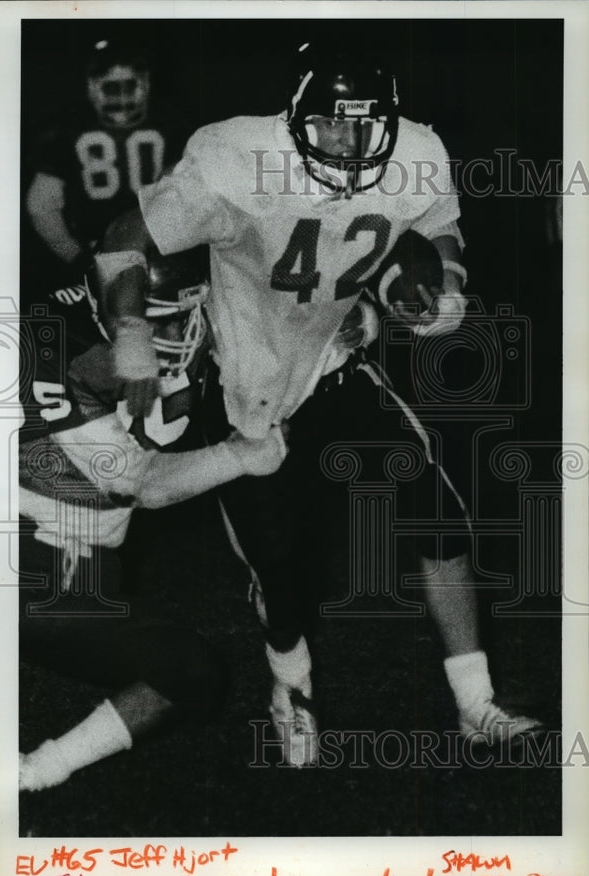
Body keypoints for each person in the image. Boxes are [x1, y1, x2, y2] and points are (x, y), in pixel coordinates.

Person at [97, 41, 544, 767]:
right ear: (296, 117)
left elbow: (437, 225)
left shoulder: (416, 153)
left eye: (363, 125)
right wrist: (130, 332)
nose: (346, 142)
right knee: (280, 567)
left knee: (436, 509)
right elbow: (125, 235)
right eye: (330, 123)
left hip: (334, 356)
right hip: (244, 379)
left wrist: (448, 285)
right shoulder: (237, 158)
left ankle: (476, 702)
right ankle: (292, 686)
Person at [18, 246, 287, 792]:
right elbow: (140, 484)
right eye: (159, 318)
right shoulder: (50, 342)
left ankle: (30, 773)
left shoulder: (101, 326)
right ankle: (30, 774)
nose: (179, 332)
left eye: (184, 315)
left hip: (76, 568)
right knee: (188, 673)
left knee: (194, 671)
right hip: (26, 557)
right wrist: (237, 457)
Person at [23, 35, 190, 298]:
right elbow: (41, 206)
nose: (121, 98)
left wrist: (77, 259)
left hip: (151, 251)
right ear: (91, 87)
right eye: (112, 88)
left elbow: (40, 207)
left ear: (146, 83)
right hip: (131, 248)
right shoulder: (173, 123)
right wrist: (79, 259)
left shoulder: (172, 124)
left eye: (128, 86)